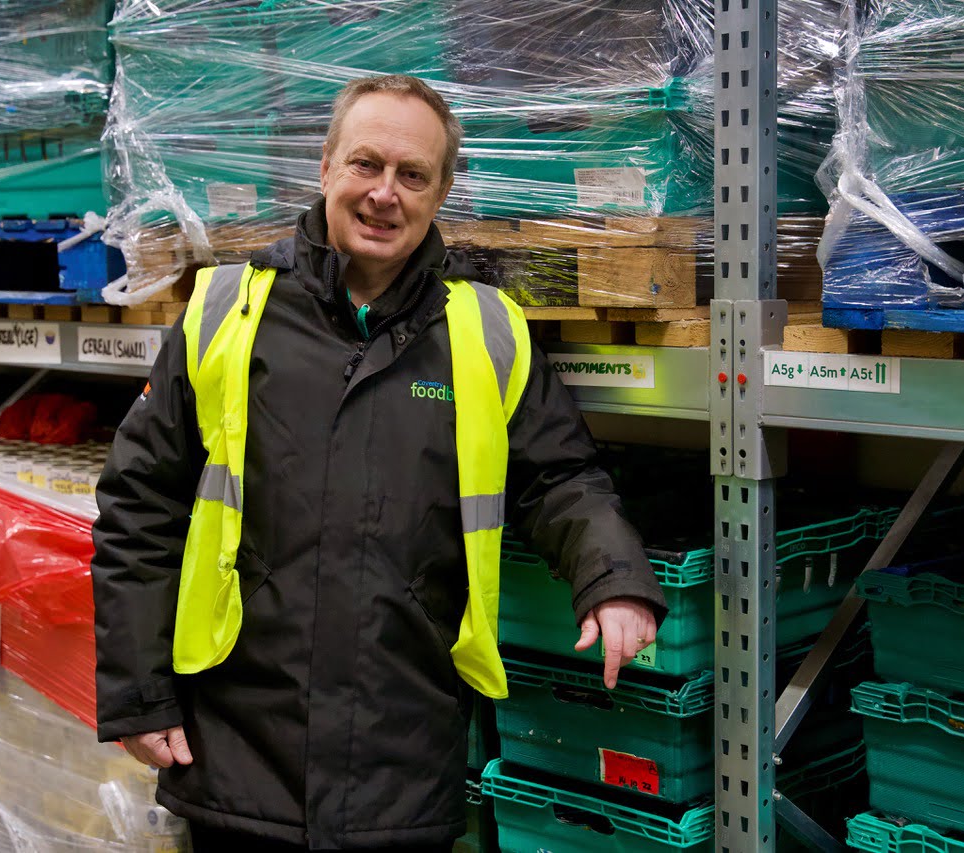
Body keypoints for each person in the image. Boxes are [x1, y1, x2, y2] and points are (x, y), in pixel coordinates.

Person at [91, 74, 666, 852]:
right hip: (238, 755)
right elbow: (139, 505)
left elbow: (563, 477)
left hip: (402, 761)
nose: (384, 193)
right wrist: (139, 695)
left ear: (442, 191)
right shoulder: (228, 310)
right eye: (366, 164)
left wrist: (614, 580)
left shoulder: (487, 331)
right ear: (326, 167)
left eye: (412, 174)